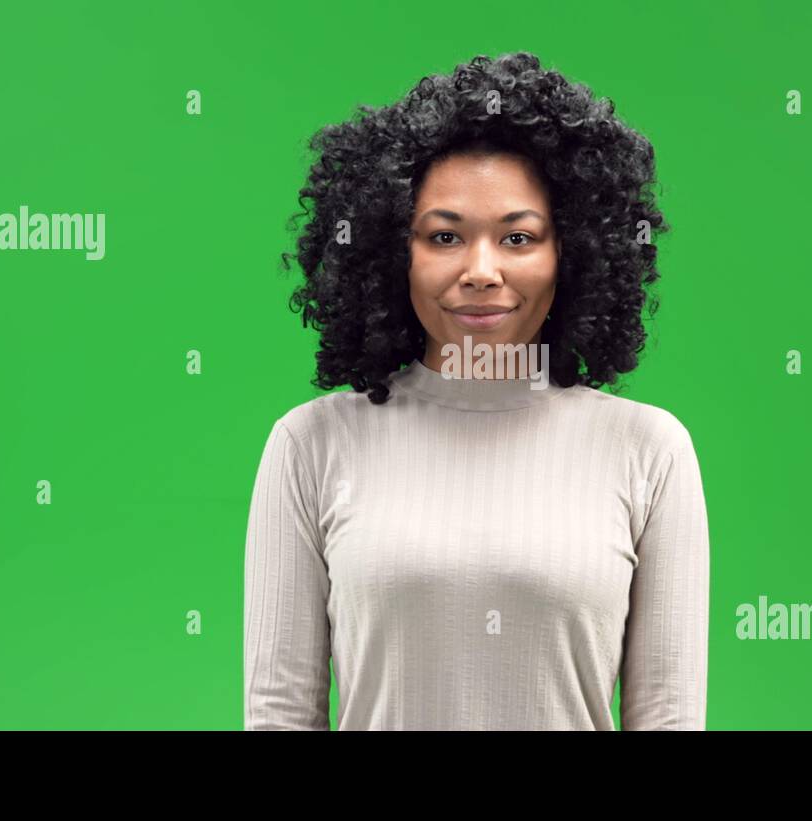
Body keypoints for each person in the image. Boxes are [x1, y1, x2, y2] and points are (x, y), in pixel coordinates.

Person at [244, 52, 709, 730]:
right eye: (445, 236)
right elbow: (280, 714)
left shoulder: (650, 451)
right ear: (393, 251)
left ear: (570, 252)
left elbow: (668, 716)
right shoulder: (310, 446)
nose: (481, 270)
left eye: (518, 236)